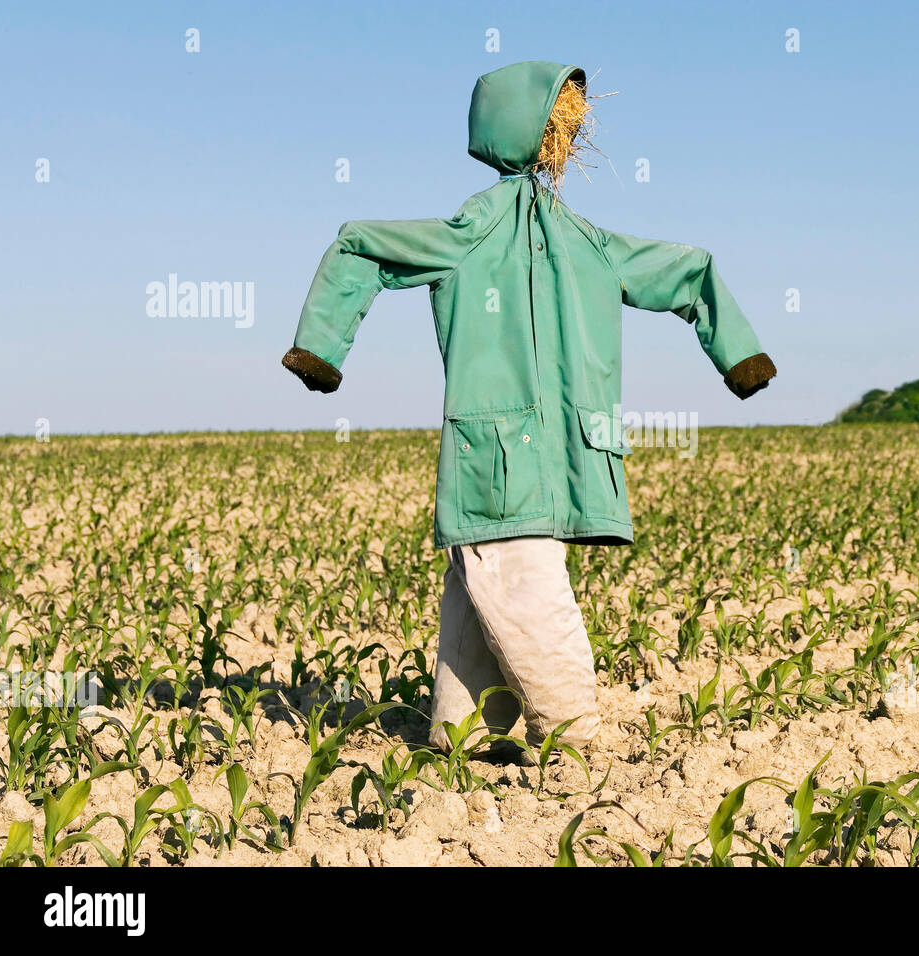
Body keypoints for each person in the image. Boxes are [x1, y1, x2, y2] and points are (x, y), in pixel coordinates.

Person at [281, 60, 776, 754]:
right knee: (506, 583)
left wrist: (323, 345)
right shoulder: (550, 238)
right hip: (529, 457)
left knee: (502, 577)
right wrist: (737, 353)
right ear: (542, 133)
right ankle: (566, 737)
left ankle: (467, 734)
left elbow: (360, 246)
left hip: (509, 460)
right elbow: (688, 268)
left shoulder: (552, 236)